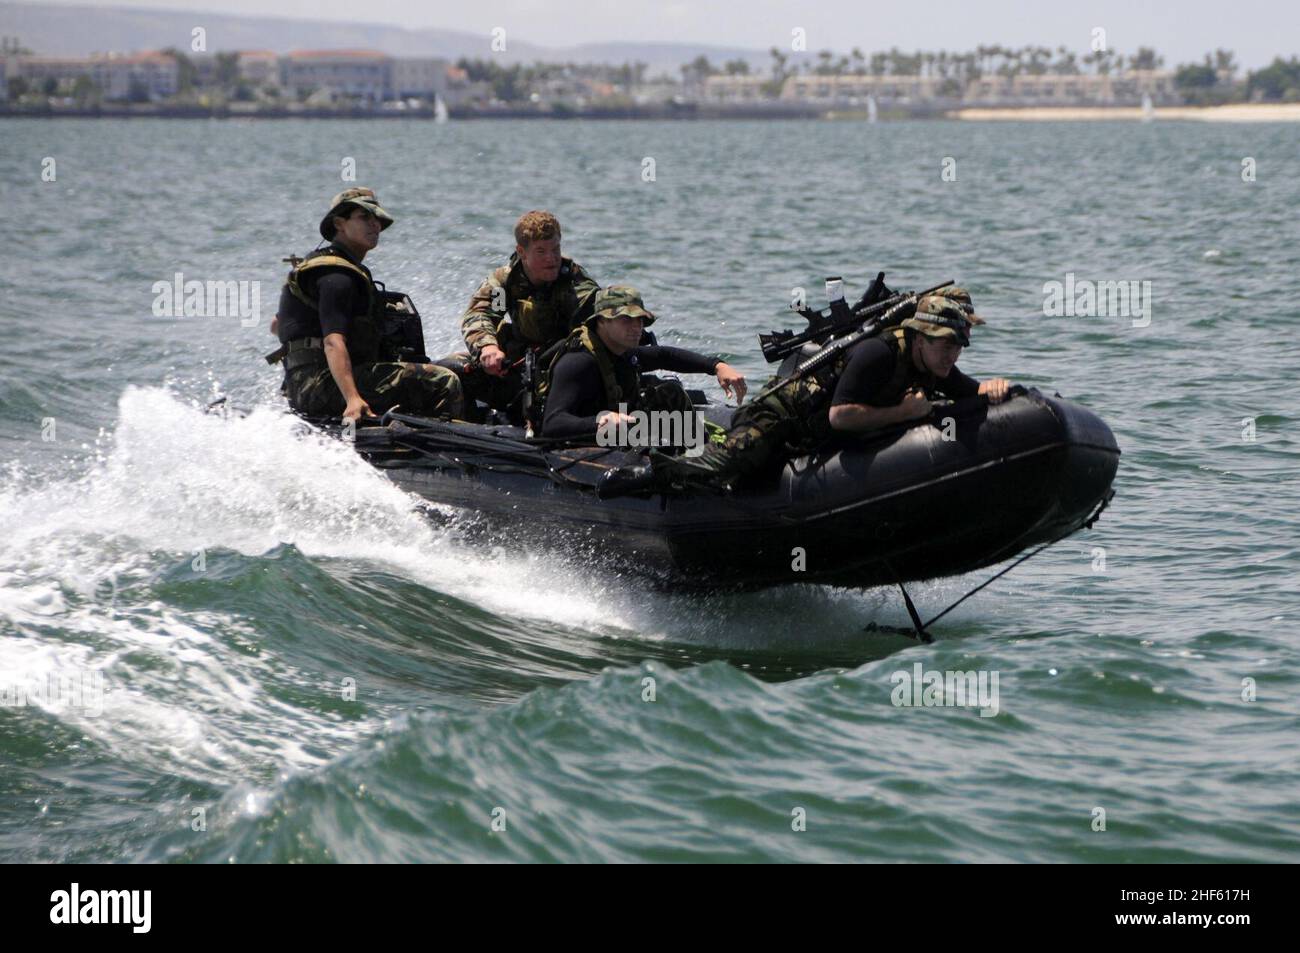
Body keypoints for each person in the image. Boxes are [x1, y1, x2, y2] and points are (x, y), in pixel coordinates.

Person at [597, 290, 1010, 497]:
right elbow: (841, 415)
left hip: (819, 436)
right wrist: (903, 413)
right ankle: (652, 474)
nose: (951, 355)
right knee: (730, 463)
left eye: (957, 347)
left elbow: (969, 393)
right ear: (920, 337)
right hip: (780, 417)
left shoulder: (935, 361)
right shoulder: (878, 353)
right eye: (944, 345)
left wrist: (996, 390)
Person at [267, 187, 463, 422]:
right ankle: (442, 445)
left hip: (302, 385)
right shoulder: (338, 276)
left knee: (455, 366)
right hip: (321, 387)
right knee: (442, 381)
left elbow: (277, 325)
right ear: (339, 223)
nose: (375, 225)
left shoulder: (317, 266)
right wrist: (352, 398)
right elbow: (332, 341)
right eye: (364, 218)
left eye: (377, 219)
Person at [542, 286, 747, 445]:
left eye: (640, 320)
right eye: (626, 320)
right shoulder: (578, 362)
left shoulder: (622, 351)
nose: (636, 328)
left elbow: (665, 355)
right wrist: (599, 422)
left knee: (670, 391)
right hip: (587, 436)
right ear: (602, 322)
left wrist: (717, 366)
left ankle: (705, 454)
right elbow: (553, 423)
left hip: (623, 425)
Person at [449, 210, 601, 419]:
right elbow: (482, 313)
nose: (551, 258)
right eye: (541, 251)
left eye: (555, 249)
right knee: (452, 370)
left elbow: (594, 319)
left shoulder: (575, 282)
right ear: (522, 252)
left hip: (562, 366)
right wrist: (488, 347)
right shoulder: (507, 282)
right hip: (516, 362)